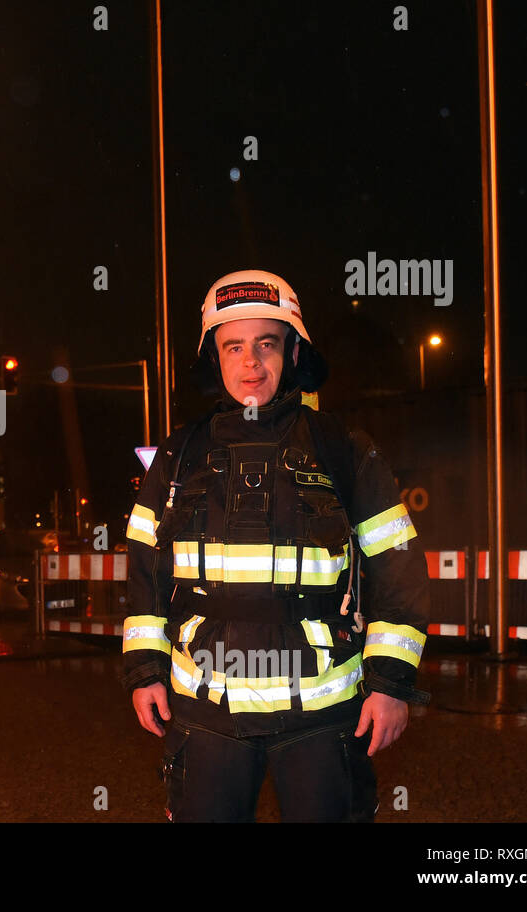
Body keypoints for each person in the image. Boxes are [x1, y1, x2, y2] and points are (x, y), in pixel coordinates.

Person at [123, 269, 429, 823]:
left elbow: (398, 573)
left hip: (323, 715)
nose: (250, 363)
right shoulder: (177, 458)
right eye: (233, 346)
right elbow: (145, 572)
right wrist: (145, 670)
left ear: (292, 351)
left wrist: (390, 685)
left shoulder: (343, 450)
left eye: (266, 343)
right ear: (213, 358)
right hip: (205, 712)